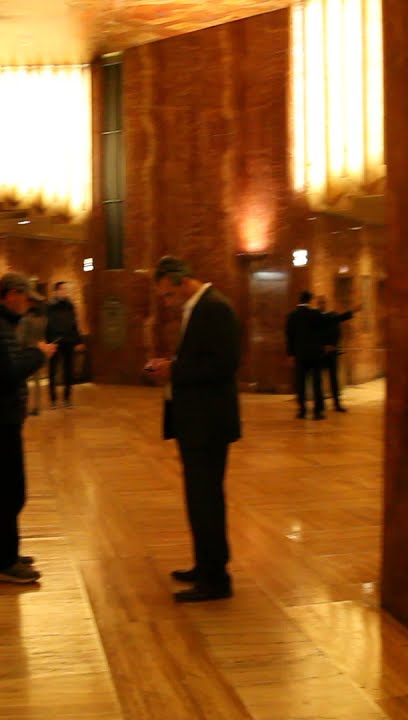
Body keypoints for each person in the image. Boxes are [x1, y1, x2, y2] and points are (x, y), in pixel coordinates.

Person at [143, 256, 241, 603]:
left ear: (182, 281)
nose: (167, 303)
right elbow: (201, 359)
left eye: (168, 295)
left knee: (206, 499)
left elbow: (225, 365)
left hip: (208, 423)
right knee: (200, 499)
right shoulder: (198, 308)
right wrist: (172, 365)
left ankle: (216, 579)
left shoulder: (215, 308)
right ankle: (205, 565)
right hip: (197, 421)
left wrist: (175, 370)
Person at [0, 273, 57, 583]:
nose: (28, 304)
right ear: (11, 295)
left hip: (1, 416)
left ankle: (3, 553)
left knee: (5, 488)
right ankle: (2, 561)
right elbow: (11, 372)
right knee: (7, 490)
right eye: (26, 298)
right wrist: (39, 354)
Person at [315, 294, 359, 412]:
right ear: (317, 304)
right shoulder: (314, 317)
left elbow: (342, 317)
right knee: (318, 379)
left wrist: (353, 311)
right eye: (320, 302)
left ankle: (337, 404)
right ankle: (320, 404)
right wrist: (322, 346)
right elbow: (313, 335)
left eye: (323, 302)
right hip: (320, 352)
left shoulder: (332, 315)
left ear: (326, 303)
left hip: (332, 352)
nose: (322, 304)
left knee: (334, 379)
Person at [44, 281, 85, 408]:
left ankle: (67, 399)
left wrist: (78, 340)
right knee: (53, 371)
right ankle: (53, 400)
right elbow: (46, 325)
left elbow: (74, 324)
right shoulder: (49, 306)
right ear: (56, 291)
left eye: (66, 289)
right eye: (63, 289)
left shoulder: (70, 305)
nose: (65, 292)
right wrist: (48, 341)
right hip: (54, 342)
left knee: (69, 371)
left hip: (68, 341)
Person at [286, 290, 325, 419]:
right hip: (315, 354)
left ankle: (302, 410)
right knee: (316, 383)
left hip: (300, 354)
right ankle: (317, 411)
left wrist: (290, 354)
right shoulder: (315, 314)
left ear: (300, 300)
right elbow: (324, 328)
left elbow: (289, 336)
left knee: (301, 383)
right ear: (310, 300)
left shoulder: (292, 316)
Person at [18, 291, 48, 416]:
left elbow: (22, 338)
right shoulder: (43, 318)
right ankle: (37, 407)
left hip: (27, 351)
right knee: (37, 381)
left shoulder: (26, 318)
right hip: (39, 352)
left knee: (23, 381)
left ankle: (24, 406)